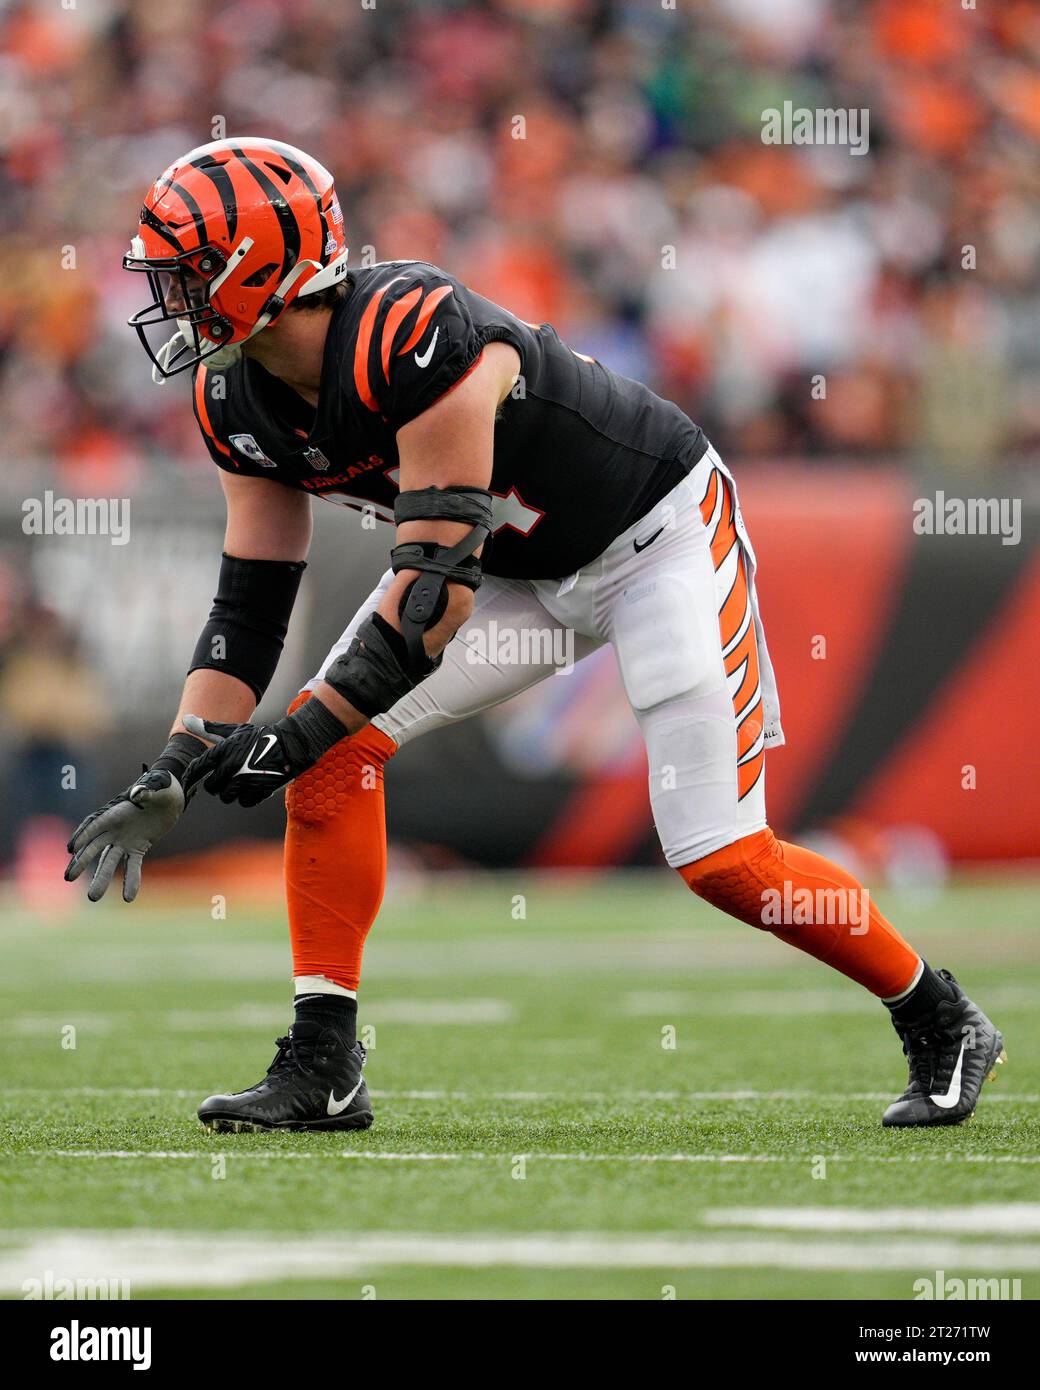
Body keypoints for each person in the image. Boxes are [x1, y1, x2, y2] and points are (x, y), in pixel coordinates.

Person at [66, 138, 1004, 1133]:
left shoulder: (410, 334)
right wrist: (178, 761)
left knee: (720, 856)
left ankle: (937, 1013)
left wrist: (292, 738)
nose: (169, 295)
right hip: (513, 572)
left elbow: (428, 606)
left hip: (654, 540)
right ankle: (324, 1067)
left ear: (263, 267)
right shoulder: (232, 397)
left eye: (189, 270)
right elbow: (251, 603)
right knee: (334, 763)